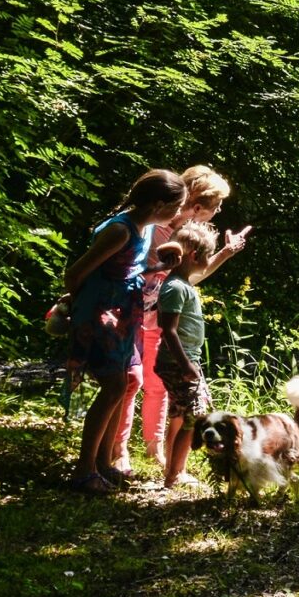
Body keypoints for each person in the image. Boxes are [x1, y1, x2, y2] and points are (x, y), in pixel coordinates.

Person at [109, 165, 251, 472]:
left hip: (159, 316)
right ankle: (118, 451)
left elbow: (190, 277)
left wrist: (225, 252)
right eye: (217, 206)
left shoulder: (186, 235)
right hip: (132, 313)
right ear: (198, 207)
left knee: (158, 386)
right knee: (131, 382)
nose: (219, 212)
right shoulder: (155, 226)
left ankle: (155, 449)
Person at [64, 169, 188, 494]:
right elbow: (75, 273)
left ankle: (103, 463)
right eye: (176, 207)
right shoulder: (120, 230)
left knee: (128, 380)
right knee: (114, 384)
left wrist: (159, 269)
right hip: (101, 315)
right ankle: (83, 471)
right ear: (159, 204)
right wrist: (79, 312)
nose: (178, 215)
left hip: (123, 314)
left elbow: (125, 269)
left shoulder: (143, 228)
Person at [153, 221, 219, 487]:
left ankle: (173, 469)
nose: (208, 261)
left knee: (183, 415)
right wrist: (186, 365)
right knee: (193, 418)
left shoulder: (182, 284)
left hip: (183, 362)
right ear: (195, 256)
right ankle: (174, 475)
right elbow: (168, 330)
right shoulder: (176, 287)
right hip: (178, 363)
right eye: (207, 256)